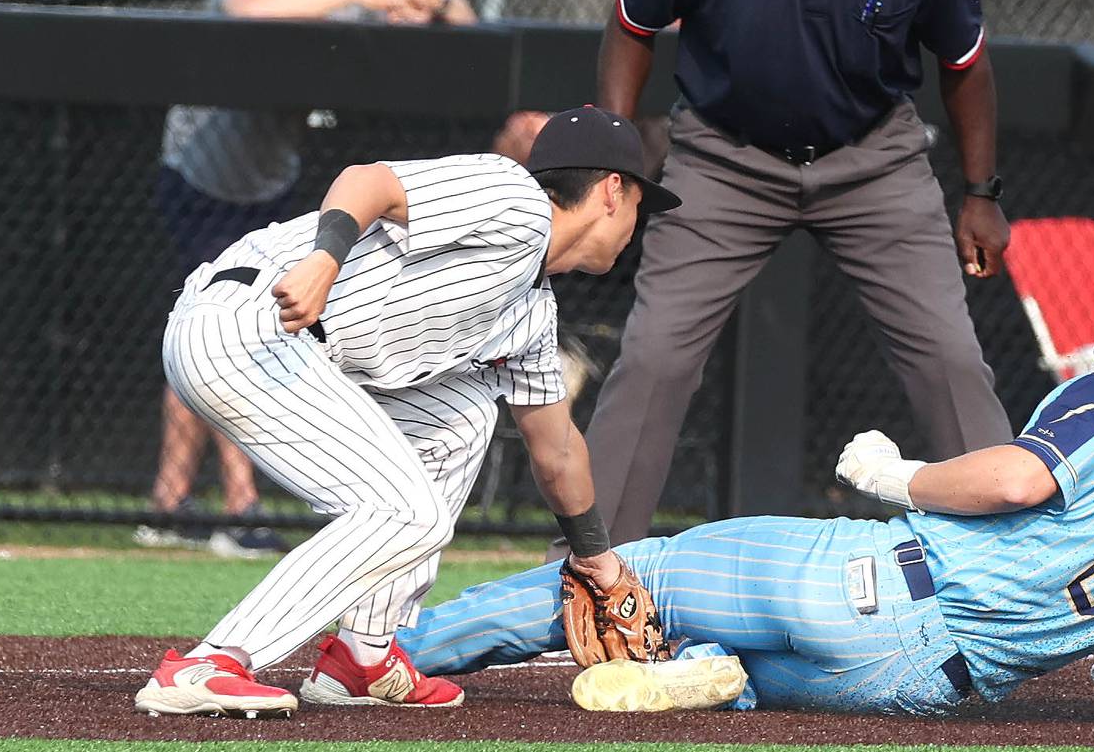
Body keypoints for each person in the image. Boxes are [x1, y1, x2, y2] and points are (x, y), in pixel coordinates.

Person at [401, 298, 1094, 722]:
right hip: (922, 686)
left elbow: (1016, 482)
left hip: (872, 585)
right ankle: (711, 675)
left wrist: (903, 476)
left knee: (628, 571)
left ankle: (389, 657)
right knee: (732, 661)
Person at [577, 0, 1014, 547]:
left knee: (949, 357)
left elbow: (965, 66)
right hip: (724, 156)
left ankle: (1015, 568)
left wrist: (981, 190)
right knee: (655, 357)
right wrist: (615, 148)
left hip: (872, 160)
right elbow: (632, 25)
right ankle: (589, 573)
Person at [133, 106, 682, 718]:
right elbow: (368, 181)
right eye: (639, 203)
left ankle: (362, 656)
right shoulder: (514, 197)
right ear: (613, 190)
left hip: (296, 353)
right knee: (406, 511)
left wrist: (597, 559)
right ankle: (213, 662)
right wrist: (324, 259)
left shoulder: (530, 311)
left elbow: (556, 449)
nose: (637, 223)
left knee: (465, 418)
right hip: (249, 324)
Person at [137, 0, 477, 558]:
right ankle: (236, 506)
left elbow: (465, 20)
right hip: (204, 175)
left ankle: (170, 502)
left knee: (233, 329)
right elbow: (248, 10)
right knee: (227, 331)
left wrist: (429, 2)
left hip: (271, 180)